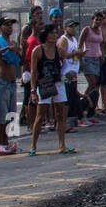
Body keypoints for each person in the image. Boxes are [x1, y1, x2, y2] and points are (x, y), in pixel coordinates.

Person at [28, 23, 73, 155]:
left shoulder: (59, 50)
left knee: (60, 115)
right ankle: (33, 145)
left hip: (58, 83)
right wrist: (33, 90)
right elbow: (33, 72)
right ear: (45, 35)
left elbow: (64, 67)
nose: (55, 36)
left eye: (55, 33)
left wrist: (67, 75)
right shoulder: (38, 51)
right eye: (52, 33)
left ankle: (62, 144)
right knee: (40, 115)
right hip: (44, 84)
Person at [0, 16, 21, 155]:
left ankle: (8, 142)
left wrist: (18, 51)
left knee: (11, 115)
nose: (10, 27)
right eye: (6, 25)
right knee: (1, 115)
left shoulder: (12, 42)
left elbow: (21, 61)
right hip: (1, 82)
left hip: (12, 83)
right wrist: (5, 49)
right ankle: (0, 144)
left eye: (11, 25)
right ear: (0, 27)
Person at [80, 12, 106, 119]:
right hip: (87, 57)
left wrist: (102, 56)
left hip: (97, 58)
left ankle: (90, 107)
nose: (98, 22)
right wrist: (80, 59)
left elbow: (99, 45)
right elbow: (80, 43)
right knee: (92, 83)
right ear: (93, 19)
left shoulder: (100, 31)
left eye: (100, 20)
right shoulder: (87, 29)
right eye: (97, 20)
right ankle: (83, 101)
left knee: (95, 85)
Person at [59, 18, 85, 130]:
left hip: (73, 72)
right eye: (71, 27)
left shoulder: (74, 39)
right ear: (65, 28)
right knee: (66, 100)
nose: (74, 29)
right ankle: (63, 123)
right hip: (66, 73)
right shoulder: (63, 40)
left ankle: (71, 121)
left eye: (75, 26)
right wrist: (74, 53)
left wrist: (79, 56)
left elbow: (76, 55)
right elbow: (62, 55)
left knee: (73, 98)